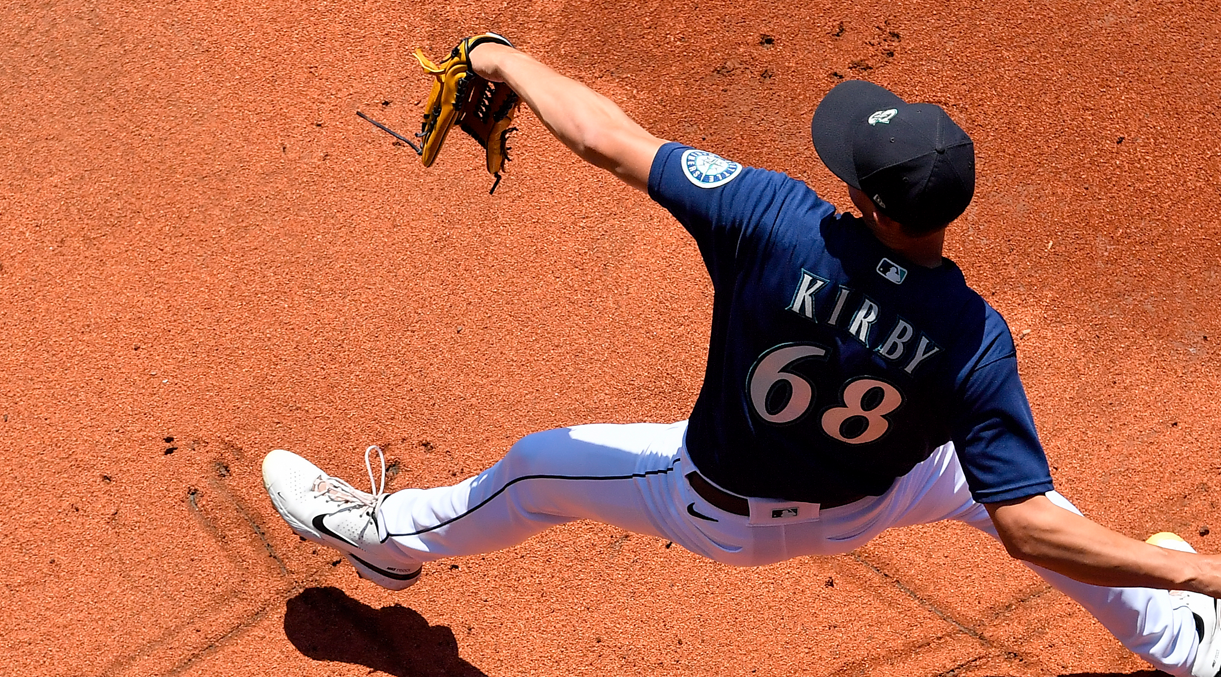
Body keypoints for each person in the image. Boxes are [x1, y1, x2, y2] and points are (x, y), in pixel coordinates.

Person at [261, 37, 1221, 676]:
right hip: (880, 494)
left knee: (533, 468)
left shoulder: (772, 219)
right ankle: (1185, 633)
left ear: (875, 204)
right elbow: (1028, 532)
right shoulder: (976, 339)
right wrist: (1197, 568)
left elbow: (605, 134)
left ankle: (386, 541)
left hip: (713, 507)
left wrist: (502, 57)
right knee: (1036, 505)